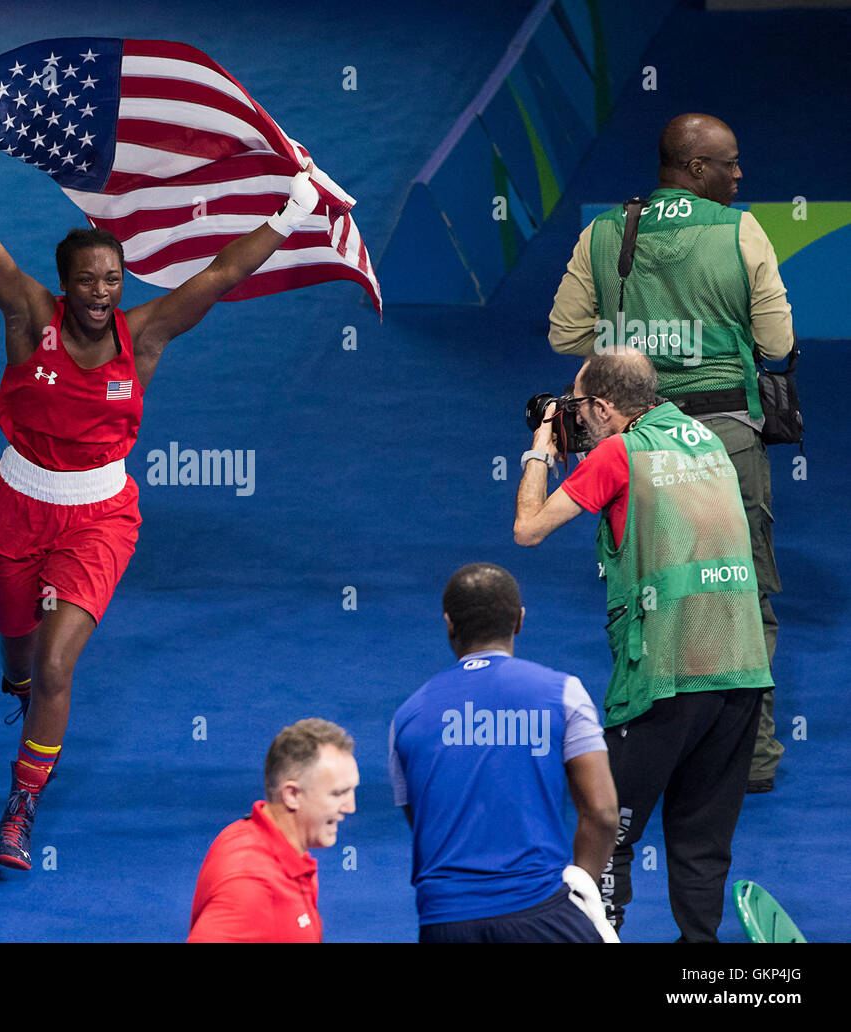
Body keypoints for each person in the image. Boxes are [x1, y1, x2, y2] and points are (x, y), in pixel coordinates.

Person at [0, 105, 325, 870]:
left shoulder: (146, 333)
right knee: (19, 649)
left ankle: (21, 806)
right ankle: (16, 674)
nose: (101, 291)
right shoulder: (29, 317)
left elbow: (221, 273)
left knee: (57, 667)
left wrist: (292, 207)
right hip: (15, 507)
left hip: (100, 517)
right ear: (64, 285)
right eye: (87, 280)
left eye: (112, 280)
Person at [548, 113, 792, 793]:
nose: (738, 175)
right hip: (727, 441)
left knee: (643, 593)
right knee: (743, 592)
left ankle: (648, 747)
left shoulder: (603, 232)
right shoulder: (741, 231)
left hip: (638, 446)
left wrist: (636, 348)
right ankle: (752, 756)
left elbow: (567, 334)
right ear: (693, 168)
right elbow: (775, 341)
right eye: (729, 163)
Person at [514, 349, 771, 941]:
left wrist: (540, 448)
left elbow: (527, 529)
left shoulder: (618, 453)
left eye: (579, 408)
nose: (575, 418)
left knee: (609, 826)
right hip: (741, 671)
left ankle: (603, 936)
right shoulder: (707, 440)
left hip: (665, 675)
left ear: (603, 407)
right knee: (701, 840)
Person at [388, 563, 619, 943]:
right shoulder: (564, 693)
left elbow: (424, 819)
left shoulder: (407, 715)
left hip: (444, 925)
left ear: (449, 624)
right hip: (542, 911)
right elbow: (603, 812)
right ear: (519, 621)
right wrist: (583, 887)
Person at [188, 718, 357, 943]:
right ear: (292, 795)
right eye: (338, 794)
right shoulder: (251, 884)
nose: (351, 807)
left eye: (352, 791)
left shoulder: (275, 845)